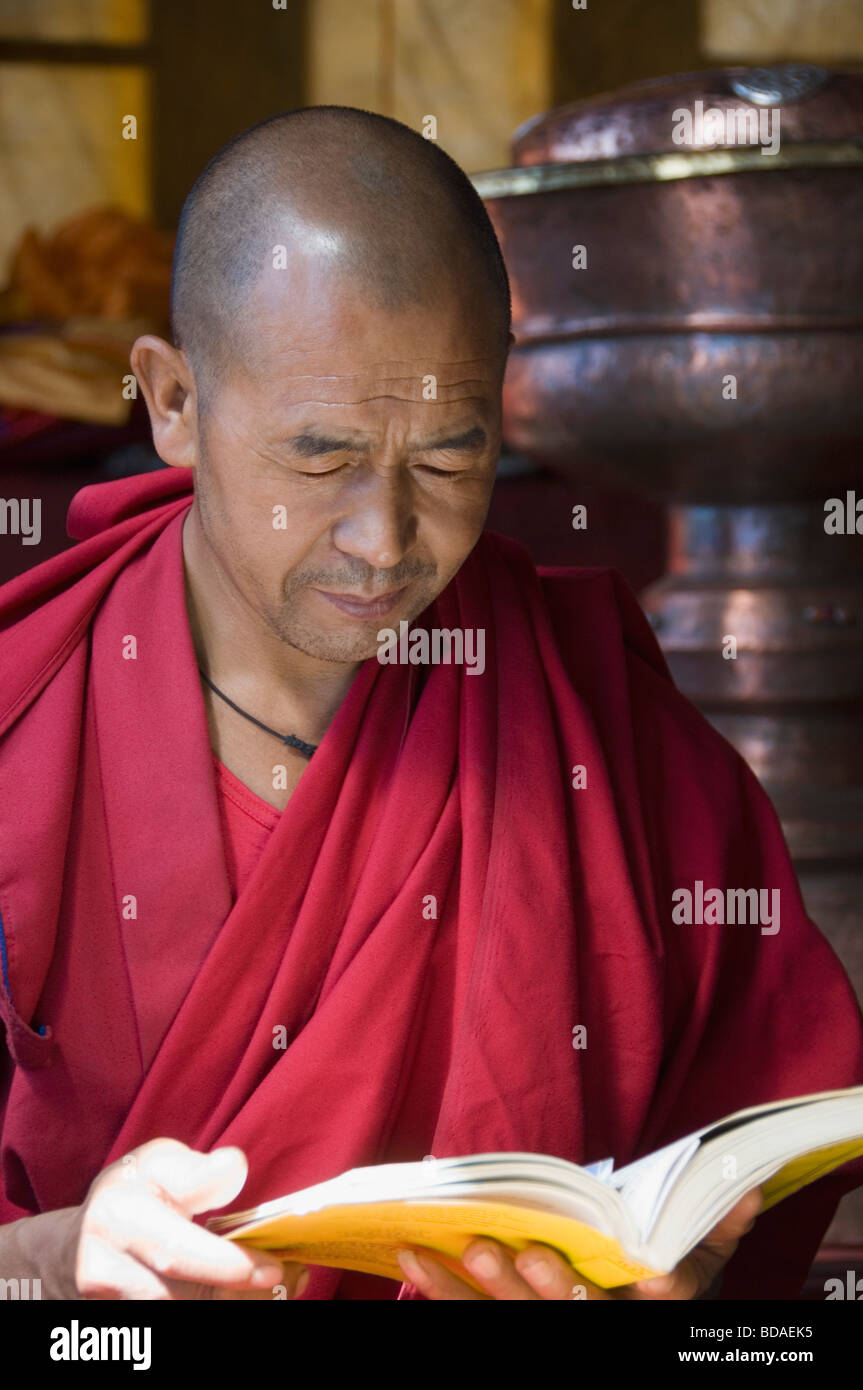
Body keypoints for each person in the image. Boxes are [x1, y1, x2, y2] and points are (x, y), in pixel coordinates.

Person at [0, 106, 861, 1302]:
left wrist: (673, 1297)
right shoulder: (26, 712)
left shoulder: (589, 720)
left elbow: (755, 1181)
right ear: (172, 402)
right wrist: (43, 1265)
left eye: (450, 461)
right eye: (319, 456)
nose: (386, 539)